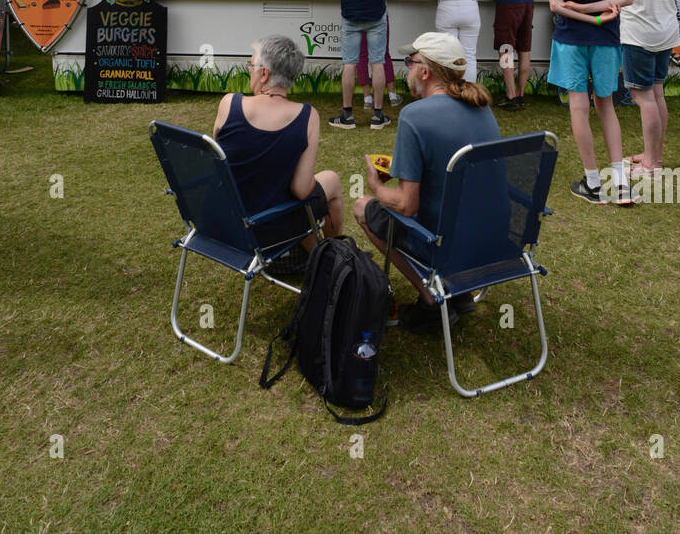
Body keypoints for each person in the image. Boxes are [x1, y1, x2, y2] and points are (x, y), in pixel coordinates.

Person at [353, 32, 500, 331]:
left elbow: (407, 206)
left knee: (361, 207)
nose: (407, 69)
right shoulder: (482, 107)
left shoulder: (413, 116)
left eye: (410, 61)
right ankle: (458, 292)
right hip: (493, 240)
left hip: (444, 243)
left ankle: (431, 299)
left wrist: (376, 187)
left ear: (425, 71)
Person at [212, 34, 343, 248]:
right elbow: (301, 190)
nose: (249, 70)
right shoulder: (307, 117)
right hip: (273, 229)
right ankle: (335, 255)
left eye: (250, 65)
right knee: (332, 180)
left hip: (224, 223)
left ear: (264, 73)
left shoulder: (229, 104)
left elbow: (220, 160)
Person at [544, 0, 633, 204]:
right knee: (606, 105)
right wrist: (599, 15)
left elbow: (556, 5)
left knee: (578, 109)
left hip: (571, 40)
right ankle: (620, 182)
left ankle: (593, 183)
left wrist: (586, 14)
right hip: (607, 39)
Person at [618, 0, 680, 175]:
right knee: (657, 93)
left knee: (644, 98)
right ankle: (654, 154)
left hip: (638, 33)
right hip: (665, 32)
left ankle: (650, 164)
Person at [327, 0, 394, 129]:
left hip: (351, 13)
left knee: (349, 63)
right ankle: (378, 115)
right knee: (377, 63)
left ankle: (347, 115)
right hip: (376, 12)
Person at [356, 21, 401, 107]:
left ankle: (367, 99)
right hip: (379, 17)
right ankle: (393, 97)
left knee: (362, 57)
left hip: (359, 17)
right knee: (384, 54)